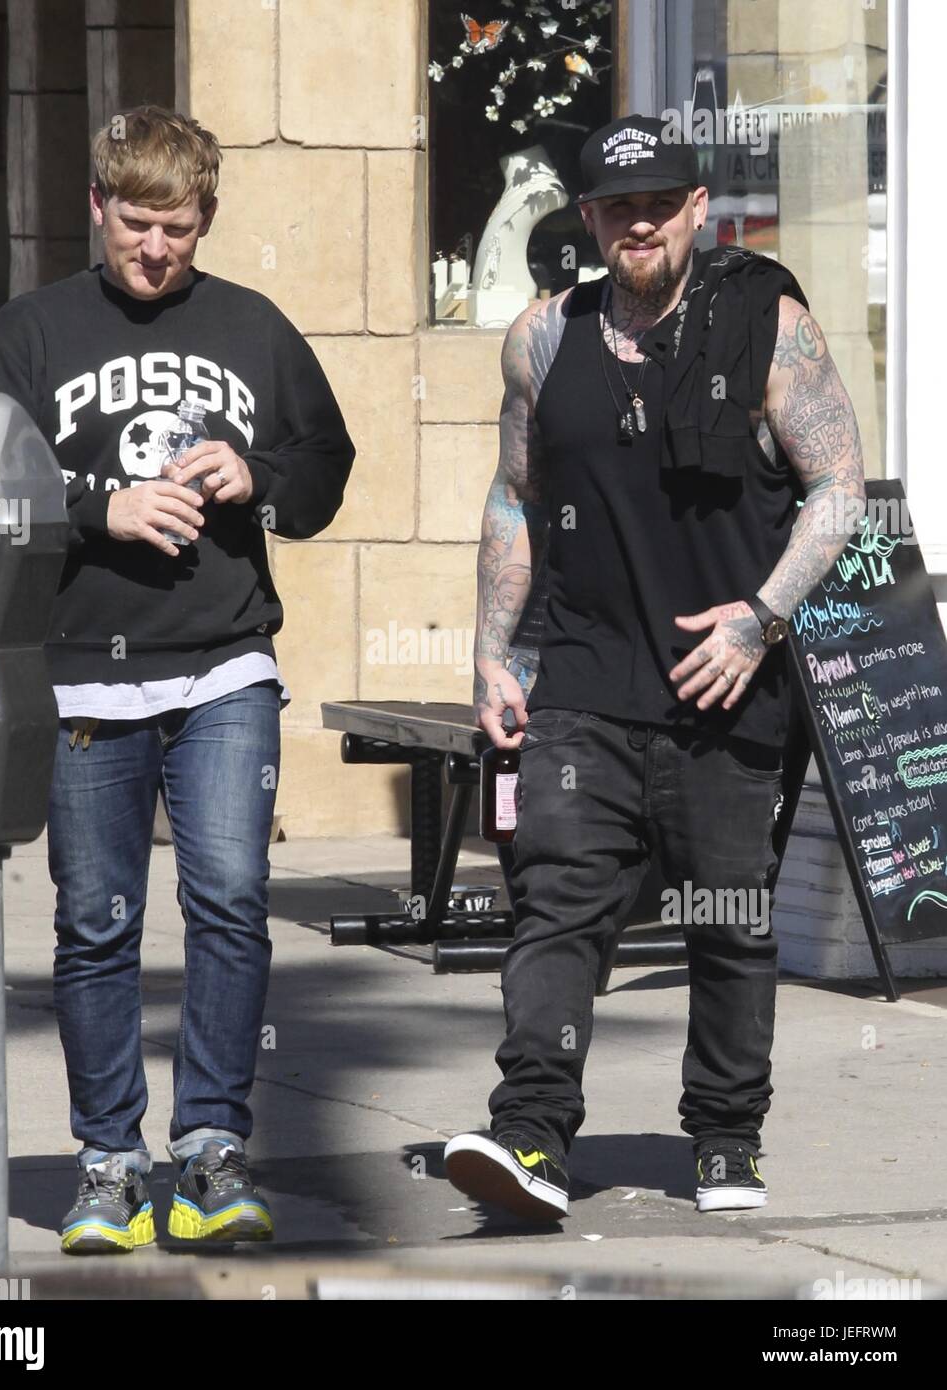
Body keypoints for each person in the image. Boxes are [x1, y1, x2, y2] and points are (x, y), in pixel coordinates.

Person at [446, 113, 865, 1219]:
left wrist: (759, 622)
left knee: (728, 915)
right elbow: (514, 497)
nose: (638, 222)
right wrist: (492, 653)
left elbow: (839, 490)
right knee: (556, 909)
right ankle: (528, 1133)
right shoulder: (541, 339)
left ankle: (726, 1134)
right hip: (582, 679)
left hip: (723, 683)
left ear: (695, 210)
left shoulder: (768, 326)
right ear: (586, 219)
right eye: (614, 207)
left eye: (657, 203)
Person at [0, 106, 355, 1252]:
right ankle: (109, 1160)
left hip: (225, 663)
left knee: (229, 903)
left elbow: (324, 476)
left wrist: (257, 472)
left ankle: (213, 1148)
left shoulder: (253, 326)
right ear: (97, 209)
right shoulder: (29, 332)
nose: (154, 250)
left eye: (176, 229)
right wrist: (99, 506)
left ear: (206, 220)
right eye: (135, 224)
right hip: (84, 677)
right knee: (95, 924)